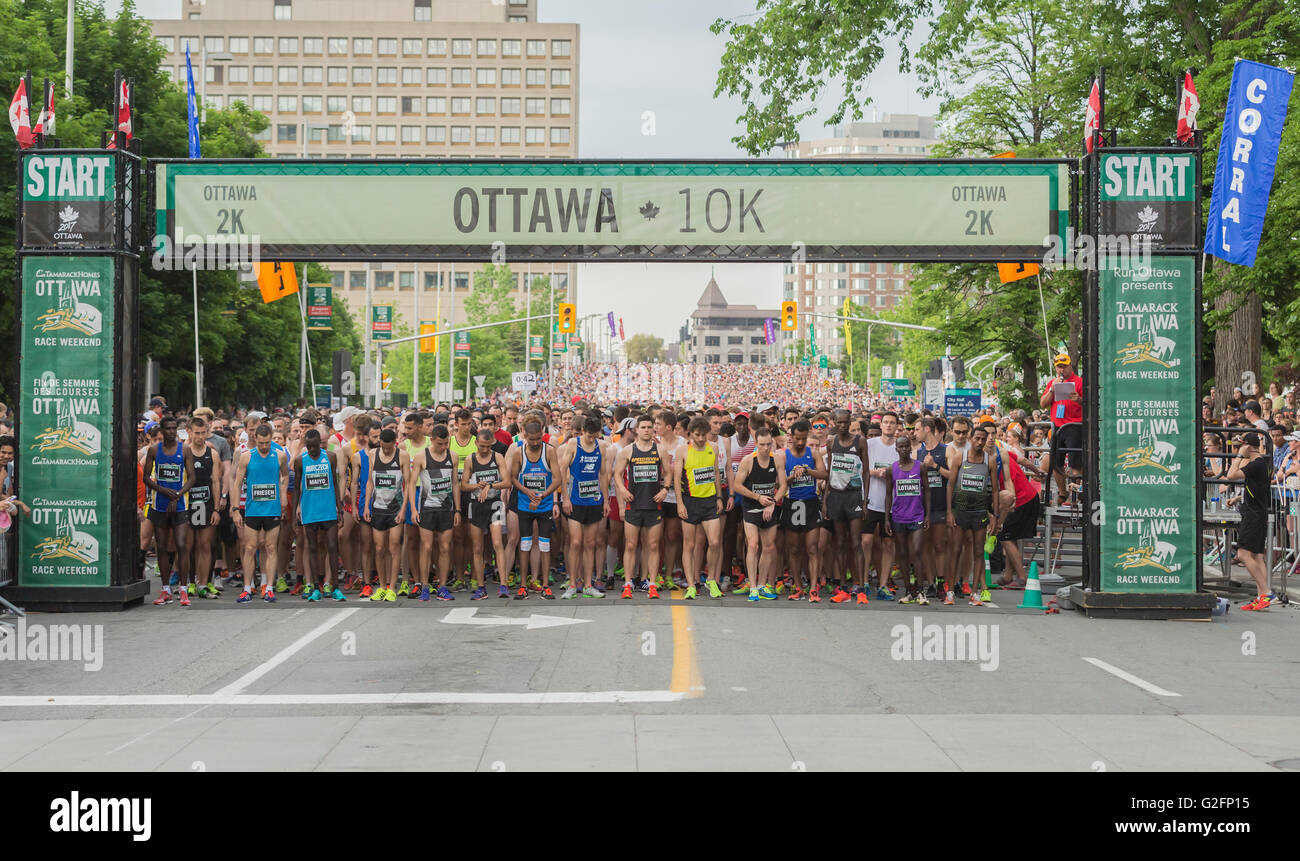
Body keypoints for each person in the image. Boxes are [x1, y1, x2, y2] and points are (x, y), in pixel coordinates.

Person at [231, 423, 288, 603]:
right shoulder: (246, 457)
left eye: (267, 443)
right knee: (249, 548)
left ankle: (269, 587)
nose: (264, 446)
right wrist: (235, 510)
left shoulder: (279, 456)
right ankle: (247, 588)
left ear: (271, 439)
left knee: (271, 547)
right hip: (252, 510)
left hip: (272, 509)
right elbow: (237, 484)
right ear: (255, 439)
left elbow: (285, 475)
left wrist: (283, 496)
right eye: (261, 443)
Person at [613, 415, 668, 599]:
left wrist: (665, 489)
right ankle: (628, 583)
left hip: (654, 504)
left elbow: (669, 473)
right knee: (630, 545)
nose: (646, 430)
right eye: (643, 427)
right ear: (636, 429)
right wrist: (622, 489)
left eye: (649, 427)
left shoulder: (660, 450)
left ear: (654, 429)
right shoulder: (628, 451)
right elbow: (617, 474)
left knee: (652, 545)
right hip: (634, 505)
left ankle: (651, 583)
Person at [946, 424, 1000, 606]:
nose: (980, 442)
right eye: (976, 438)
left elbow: (995, 491)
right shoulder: (960, 457)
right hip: (960, 511)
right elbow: (951, 485)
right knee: (955, 551)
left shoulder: (989, 460)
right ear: (970, 439)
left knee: (978, 552)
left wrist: (996, 516)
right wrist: (949, 512)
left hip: (979, 512)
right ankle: (951, 591)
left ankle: (975, 593)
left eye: (983, 439)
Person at [145, 416, 195, 606]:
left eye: (174, 428)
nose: (172, 431)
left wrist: (177, 494)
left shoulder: (185, 450)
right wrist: (163, 490)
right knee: (162, 547)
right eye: (168, 428)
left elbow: (192, 478)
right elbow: (146, 478)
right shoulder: (153, 450)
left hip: (180, 503)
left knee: (182, 545)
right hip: (160, 503)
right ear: (162, 431)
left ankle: (183, 590)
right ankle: (165, 589)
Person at [558, 415, 611, 598]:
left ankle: (588, 584)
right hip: (575, 501)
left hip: (594, 500)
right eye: (588, 436)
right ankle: (572, 584)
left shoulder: (601, 446)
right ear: (583, 432)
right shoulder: (573, 444)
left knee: (590, 544)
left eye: (594, 436)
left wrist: (605, 500)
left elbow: (603, 474)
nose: (591, 439)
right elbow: (562, 469)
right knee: (575, 542)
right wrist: (565, 498)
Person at [673, 416, 725, 600]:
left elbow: (716, 474)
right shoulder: (682, 450)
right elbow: (677, 479)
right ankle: (691, 584)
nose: (701, 438)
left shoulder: (714, 448)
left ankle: (711, 579)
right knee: (690, 545)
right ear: (691, 434)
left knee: (715, 542)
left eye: (704, 435)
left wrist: (719, 497)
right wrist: (679, 503)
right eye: (697, 435)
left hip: (710, 500)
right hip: (690, 501)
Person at [733, 426, 787, 602]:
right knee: (754, 545)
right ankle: (753, 586)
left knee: (769, 546)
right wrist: (757, 497)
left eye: (769, 444)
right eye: (762, 444)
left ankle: (762, 585)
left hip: (769, 506)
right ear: (756, 444)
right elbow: (737, 485)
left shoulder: (777, 459)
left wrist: (773, 503)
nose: (766, 448)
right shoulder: (748, 461)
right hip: (751, 506)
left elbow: (783, 485)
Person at [508, 419, 560, 599]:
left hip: (543, 504)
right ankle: (523, 585)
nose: (536, 443)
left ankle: (545, 584)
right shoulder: (518, 452)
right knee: (525, 544)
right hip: (525, 505)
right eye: (532, 440)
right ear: (525, 436)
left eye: (538, 439)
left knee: (545, 545)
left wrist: (543, 496)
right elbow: (513, 478)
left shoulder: (550, 451)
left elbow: (557, 479)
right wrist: (528, 492)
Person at [295, 428, 346, 601]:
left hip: (328, 509)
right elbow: (296, 488)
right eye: (308, 447)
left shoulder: (330, 457)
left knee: (332, 546)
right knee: (312, 546)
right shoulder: (300, 461)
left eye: (314, 446)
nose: (311, 450)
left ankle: (334, 587)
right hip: (310, 510)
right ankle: (315, 586)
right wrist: (297, 508)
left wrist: (339, 508)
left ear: (320, 444)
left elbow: (335, 482)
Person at [1228, 433, 1276, 610]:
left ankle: (1266, 592)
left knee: (1243, 554)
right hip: (1257, 511)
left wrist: (1239, 456)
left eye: (1241, 446)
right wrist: (1238, 498)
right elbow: (1257, 487)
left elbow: (1231, 475)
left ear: (1248, 446)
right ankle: (1261, 596)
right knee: (1257, 556)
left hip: (1254, 515)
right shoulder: (1261, 464)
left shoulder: (1255, 464)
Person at [462, 428, 511, 600]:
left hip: (495, 504)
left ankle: (503, 584)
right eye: (482, 446)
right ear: (476, 443)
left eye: (488, 447)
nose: (484, 450)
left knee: (498, 543)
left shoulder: (497, 457)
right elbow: (463, 485)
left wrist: (490, 485)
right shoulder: (470, 459)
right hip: (476, 505)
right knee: (477, 548)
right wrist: (477, 486)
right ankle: (481, 586)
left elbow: (507, 482)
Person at [781, 419, 826, 601]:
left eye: (803, 439)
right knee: (793, 549)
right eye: (797, 439)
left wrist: (808, 471)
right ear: (791, 437)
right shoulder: (783, 456)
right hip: (792, 503)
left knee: (812, 548)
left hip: (810, 503)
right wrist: (793, 476)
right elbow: (778, 483)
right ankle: (798, 586)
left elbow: (824, 475)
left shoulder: (813, 453)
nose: (800, 442)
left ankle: (814, 588)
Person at [824, 408, 866, 602]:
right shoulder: (831, 442)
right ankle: (842, 586)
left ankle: (860, 586)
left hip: (854, 496)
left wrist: (865, 500)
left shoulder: (860, 441)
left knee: (856, 543)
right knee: (839, 543)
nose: (842, 425)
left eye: (845, 422)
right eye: (839, 422)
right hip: (836, 496)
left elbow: (865, 472)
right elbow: (829, 472)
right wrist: (825, 500)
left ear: (850, 422)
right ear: (834, 423)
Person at [885, 433, 930, 605]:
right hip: (898, 516)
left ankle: (921, 591)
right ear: (896, 449)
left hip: (917, 515)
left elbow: (927, 491)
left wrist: (927, 514)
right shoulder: (892, 469)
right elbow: (888, 495)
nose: (904, 449)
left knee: (917, 551)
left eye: (906, 446)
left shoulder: (920, 467)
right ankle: (908, 590)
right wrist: (887, 519)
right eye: (900, 446)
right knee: (902, 554)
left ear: (910, 448)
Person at [364, 427, 406, 602]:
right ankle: (381, 586)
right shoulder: (373, 454)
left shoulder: (402, 455)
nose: (387, 450)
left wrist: (404, 508)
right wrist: (366, 506)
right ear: (379, 443)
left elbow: (409, 483)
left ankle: (392, 587)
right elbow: (369, 482)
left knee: (394, 547)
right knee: (379, 548)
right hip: (378, 507)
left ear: (394, 443)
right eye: (384, 447)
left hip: (396, 507)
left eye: (390, 447)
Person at [863, 411, 901, 600]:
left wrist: (892, 473)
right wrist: (874, 472)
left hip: (892, 505)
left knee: (888, 544)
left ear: (896, 426)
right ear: (881, 425)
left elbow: (906, 469)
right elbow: (860, 467)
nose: (888, 425)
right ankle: (863, 582)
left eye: (892, 423)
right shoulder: (870, 444)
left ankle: (883, 584)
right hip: (870, 500)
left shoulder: (900, 447)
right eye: (885, 422)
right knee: (866, 542)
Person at [184, 416, 222, 599]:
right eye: (196, 433)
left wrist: (216, 509)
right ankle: (189, 583)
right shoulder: (183, 452)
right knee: (188, 546)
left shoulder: (212, 453)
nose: (200, 437)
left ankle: (203, 584)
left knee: (205, 545)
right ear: (189, 432)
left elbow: (215, 481)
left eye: (203, 433)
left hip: (205, 504)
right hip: (188, 504)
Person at [1040, 353, 1083, 505]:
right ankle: (1063, 492)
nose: (1062, 369)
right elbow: (1043, 404)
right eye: (1059, 366)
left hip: (1074, 426)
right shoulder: (1052, 382)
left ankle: (1076, 494)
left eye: (1064, 366)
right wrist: (1052, 389)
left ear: (1071, 366)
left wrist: (1079, 399)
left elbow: (1090, 404)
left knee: (1075, 463)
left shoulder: (1080, 381)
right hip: (1057, 426)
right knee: (1056, 462)